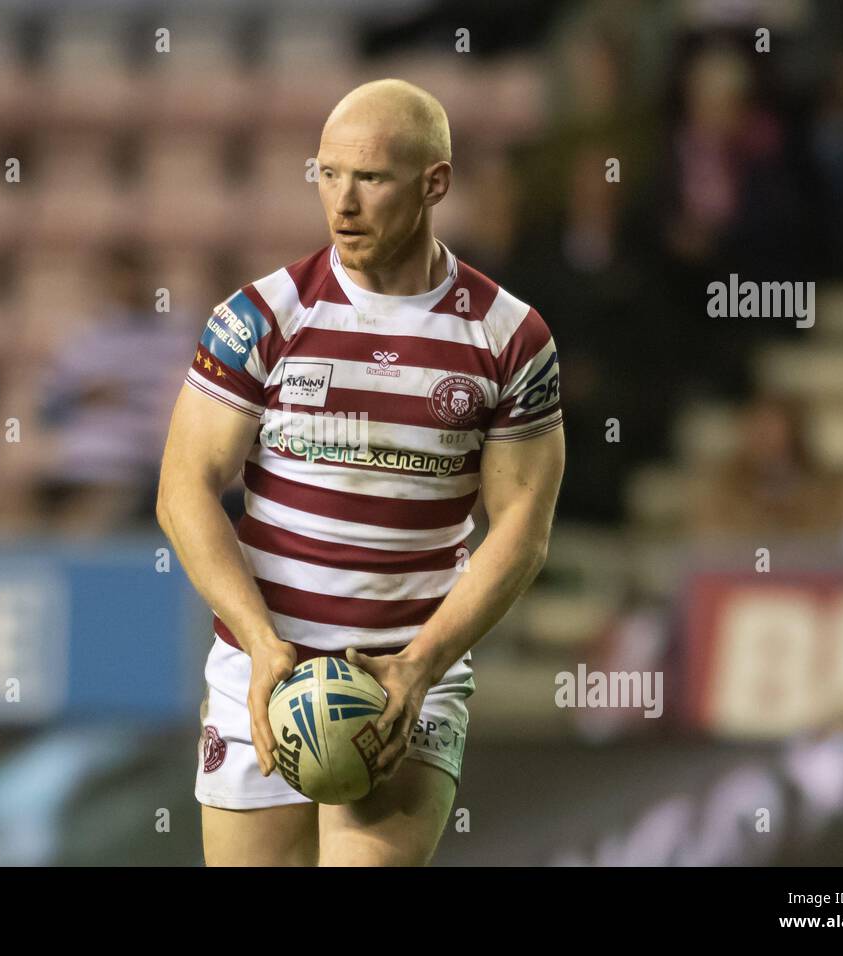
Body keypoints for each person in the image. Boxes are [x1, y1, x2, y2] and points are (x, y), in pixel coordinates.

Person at [157, 79, 565, 866]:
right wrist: (261, 644)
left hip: (407, 676)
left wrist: (421, 665)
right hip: (263, 671)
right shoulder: (260, 318)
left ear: (434, 184)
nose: (342, 202)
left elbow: (522, 528)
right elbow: (184, 491)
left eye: (371, 179)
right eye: (328, 174)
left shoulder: (510, 337)